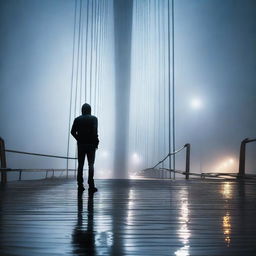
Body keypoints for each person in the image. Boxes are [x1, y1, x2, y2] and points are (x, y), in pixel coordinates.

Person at [71, 103, 99, 192]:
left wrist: (78, 139)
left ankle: (80, 185)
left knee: (80, 165)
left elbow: (72, 132)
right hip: (91, 145)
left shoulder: (77, 119)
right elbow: (95, 132)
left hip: (81, 145)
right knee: (91, 165)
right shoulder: (94, 119)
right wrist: (96, 142)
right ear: (90, 110)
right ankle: (91, 185)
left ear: (82, 110)